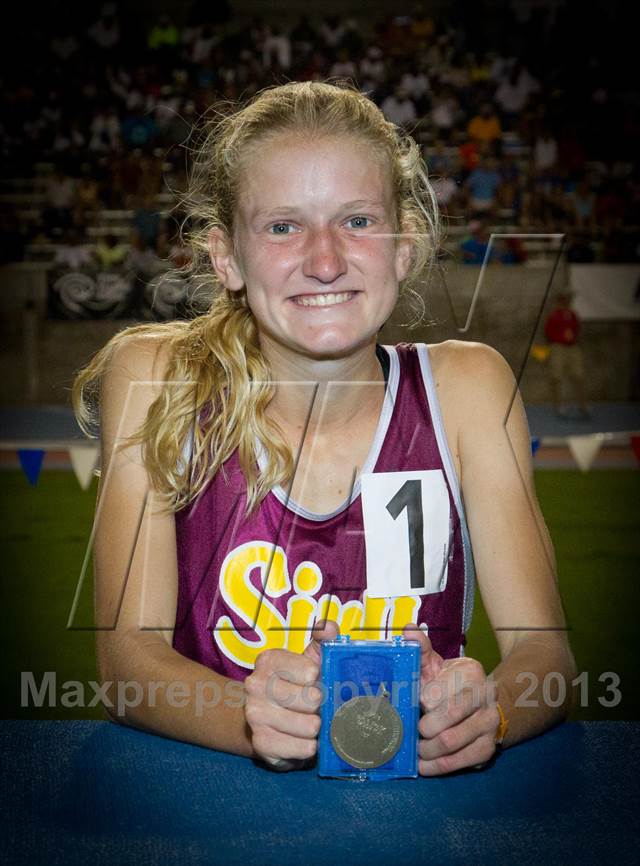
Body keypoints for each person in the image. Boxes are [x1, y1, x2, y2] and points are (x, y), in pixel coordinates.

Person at [72, 81, 576, 776]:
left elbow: (546, 656)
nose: (327, 260)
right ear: (226, 257)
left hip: (423, 827)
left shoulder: (467, 390)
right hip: (207, 818)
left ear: (404, 245)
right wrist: (247, 717)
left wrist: (492, 710)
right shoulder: (159, 380)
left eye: (358, 221)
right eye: (283, 226)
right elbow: (127, 662)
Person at [543, 289, 590, 418]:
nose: (566, 302)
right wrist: (557, 340)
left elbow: (577, 329)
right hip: (558, 347)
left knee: (578, 375)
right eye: (563, 299)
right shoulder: (553, 316)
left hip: (572, 348)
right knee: (556, 376)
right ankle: (559, 405)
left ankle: (583, 404)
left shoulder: (573, 315)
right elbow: (548, 332)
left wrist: (573, 338)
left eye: (567, 299)